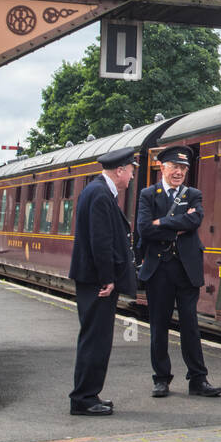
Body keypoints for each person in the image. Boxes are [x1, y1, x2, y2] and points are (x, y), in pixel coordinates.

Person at [136, 145, 221, 397]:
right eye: (174, 167)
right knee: (159, 326)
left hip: (186, 269)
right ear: (162, 167)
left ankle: (198, 379)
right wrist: (177, 224)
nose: (179, 172)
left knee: (191, 326)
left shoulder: (193, 194)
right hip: (159, 270)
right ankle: (161, 378)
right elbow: (144, 229)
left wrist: (161, 222)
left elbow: (195, 221)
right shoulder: (148, 195)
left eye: (183, 168)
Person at [68, 147, 138, 416]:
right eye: (131, 171)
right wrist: (107, 278)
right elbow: (101, 241)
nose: (131, 177)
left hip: (92, 279)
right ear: (119, 170)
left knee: (96, 338)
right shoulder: (100, 195)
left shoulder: (95, 191)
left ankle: (89, 393)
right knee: (95, 339)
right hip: (97, 281)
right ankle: (84, 398)